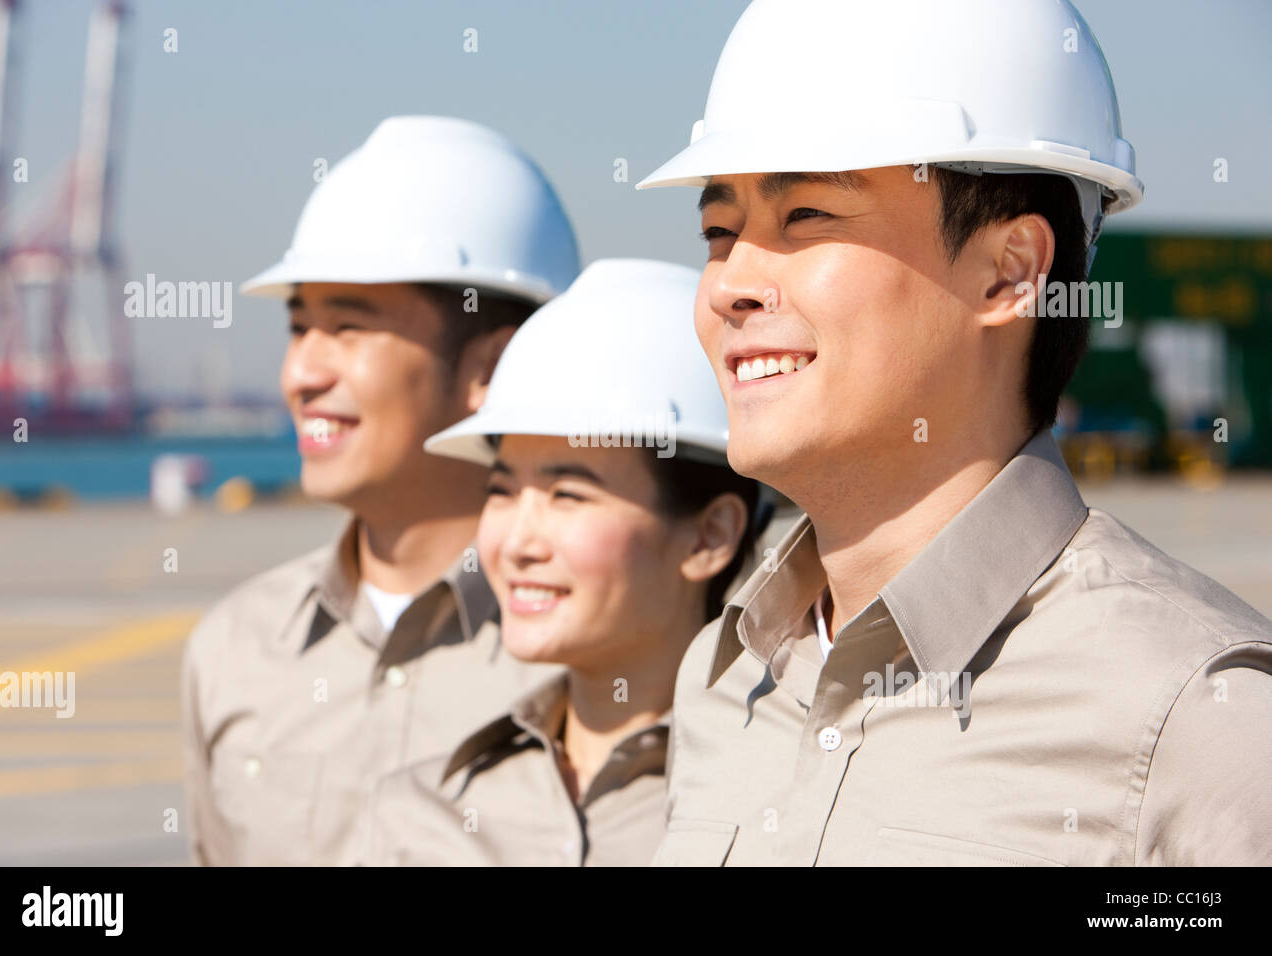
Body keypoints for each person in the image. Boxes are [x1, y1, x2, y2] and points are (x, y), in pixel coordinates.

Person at [635, 0, 1272, 865]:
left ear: (1010, 272)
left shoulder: (1197, 721)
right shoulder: (725, 679)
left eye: (807, 217)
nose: (729, 286)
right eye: (719, 231)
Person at [181, 116, 580, 865]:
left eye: (349, 327)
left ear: (493, 367)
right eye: (301, 328)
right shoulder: (232, 651)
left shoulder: (603, 652)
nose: (302, 374)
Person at [362, 259, 762, 866]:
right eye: (500, 491)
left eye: (568, 495)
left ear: (709, 535)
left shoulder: (780, 808)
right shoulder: (421, 812)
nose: (517, 542)